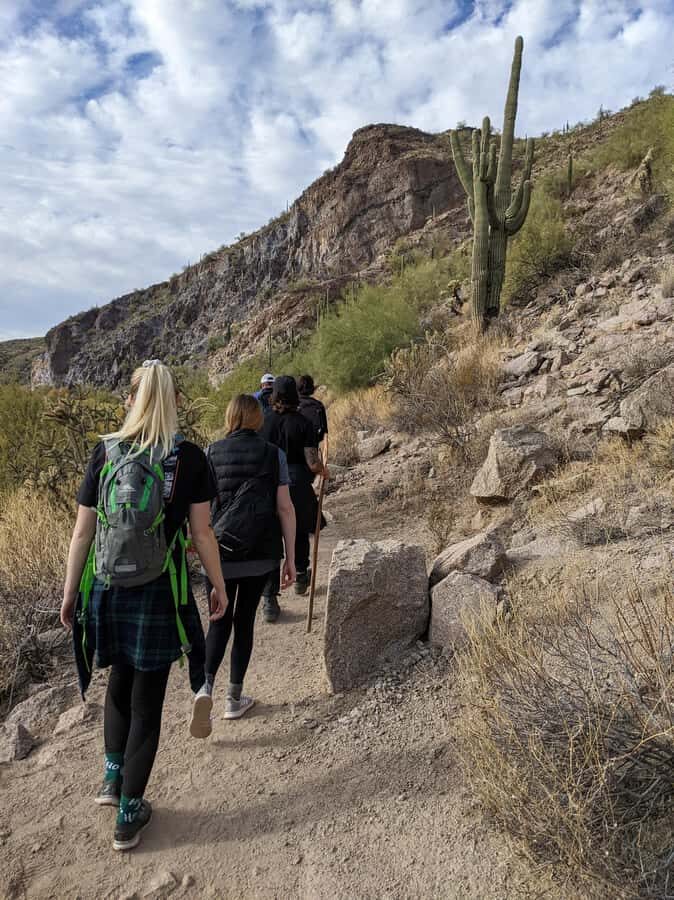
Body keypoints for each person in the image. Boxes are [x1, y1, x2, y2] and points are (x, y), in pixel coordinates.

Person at [60, 360, 227, 853]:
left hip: (107, 587)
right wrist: (217, 585)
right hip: (158, 590)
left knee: (119, 680)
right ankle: (129, 815)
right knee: (147, 702)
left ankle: (112, 780)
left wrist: (70, 593)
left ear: (130, 400)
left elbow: (83, 533)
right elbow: (202, 534)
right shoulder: (188, 457)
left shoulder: (106, 450)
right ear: (175, 401)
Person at [202, 394, 296, 713]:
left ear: (230, 417)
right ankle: (233, 699)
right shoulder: (273, 454)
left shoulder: (210, 452)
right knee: (244, 622)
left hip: (220, 555)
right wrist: (290, 558)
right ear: (258, 418)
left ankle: (204, 690)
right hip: (259, 552)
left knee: (218, 621)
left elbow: (201, 512)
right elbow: (285, 509)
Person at [262, 376, 328, 616]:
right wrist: (324, 471)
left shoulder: (263, 422)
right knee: (298, 530)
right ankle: (301, 575)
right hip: (297, 484)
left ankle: (269, 599)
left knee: (272, 538)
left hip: (269, 486)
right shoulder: (303, 423)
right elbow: (312, 462)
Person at [297, 374, 328, 445]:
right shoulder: (318, 405)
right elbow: (325, 432)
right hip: (312, 446)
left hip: (295, 447)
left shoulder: (293, 405)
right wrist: (325, 450)